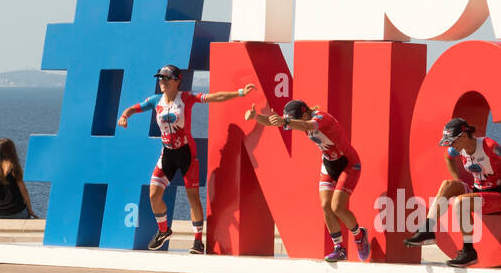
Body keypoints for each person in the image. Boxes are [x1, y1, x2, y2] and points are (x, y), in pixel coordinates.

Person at [117, 66, 255, 252]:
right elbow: (133, 108)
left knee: (193, 199)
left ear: (177, 80)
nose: (162, 82)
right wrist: (124, 116)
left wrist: (239, 93)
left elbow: (215, 97)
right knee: (153, 195)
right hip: (167, 154)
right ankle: (164, 231)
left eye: (166, 79)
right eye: (160, 79)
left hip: (186, 154)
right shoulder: (155, 100)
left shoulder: (186, 98)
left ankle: (198, 241)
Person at [244, 99, 369, 262]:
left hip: (348, 164)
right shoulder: (298, 119)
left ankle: (359, 235)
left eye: (295, 119)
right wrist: (256, 117)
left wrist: (286, 121)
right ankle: (339, 248)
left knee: (337, 207)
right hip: (329, 164)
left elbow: (307, 126)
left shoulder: (321, 117)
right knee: (325, 206)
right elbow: (273, 121)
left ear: (304, 113)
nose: (292, 123)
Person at [403, 117, 501, 267]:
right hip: (477, 191)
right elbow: (448, 157)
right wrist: (457, 179)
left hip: (498, 197)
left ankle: (468, 251)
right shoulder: (458, 148)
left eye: (453, 141)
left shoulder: (489, 145)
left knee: (462, 201)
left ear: (465, 136)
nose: (451, 145)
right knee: (447, 185)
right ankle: (427, 230)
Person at [0, 138, 38, 219]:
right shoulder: (14, 167)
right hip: (16, 212)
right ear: (11, 150)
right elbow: (24, 191)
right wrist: (30, 210)